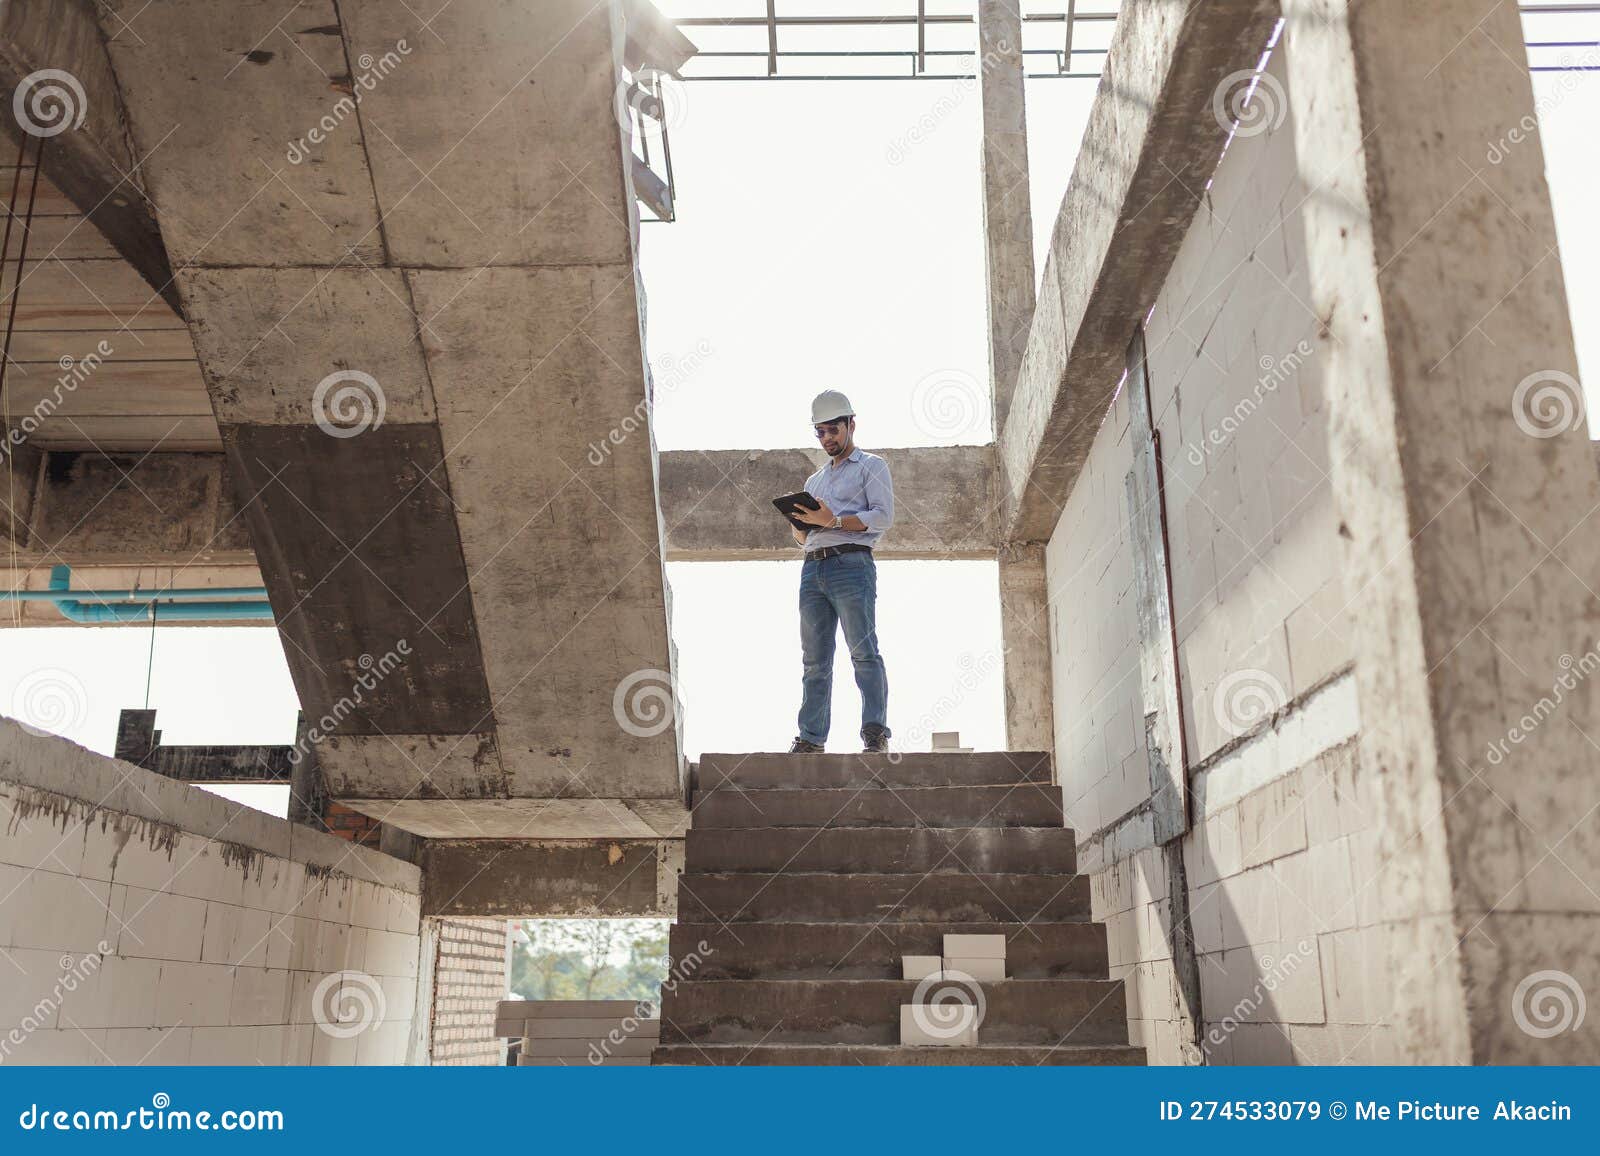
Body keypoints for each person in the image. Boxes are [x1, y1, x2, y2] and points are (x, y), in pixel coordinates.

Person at [787, 390, 894, 754]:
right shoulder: (813, 482)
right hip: (812, 569)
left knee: (863, 652)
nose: (827, 438)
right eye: (820, 432)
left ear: (851, 424)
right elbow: (803, 536)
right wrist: (800, 525)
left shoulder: (872, 466)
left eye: (833, 429)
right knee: (815, 660)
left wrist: (831, 519)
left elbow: (882, 516)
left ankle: (875, 732)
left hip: (852, 565)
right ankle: (811, 738)